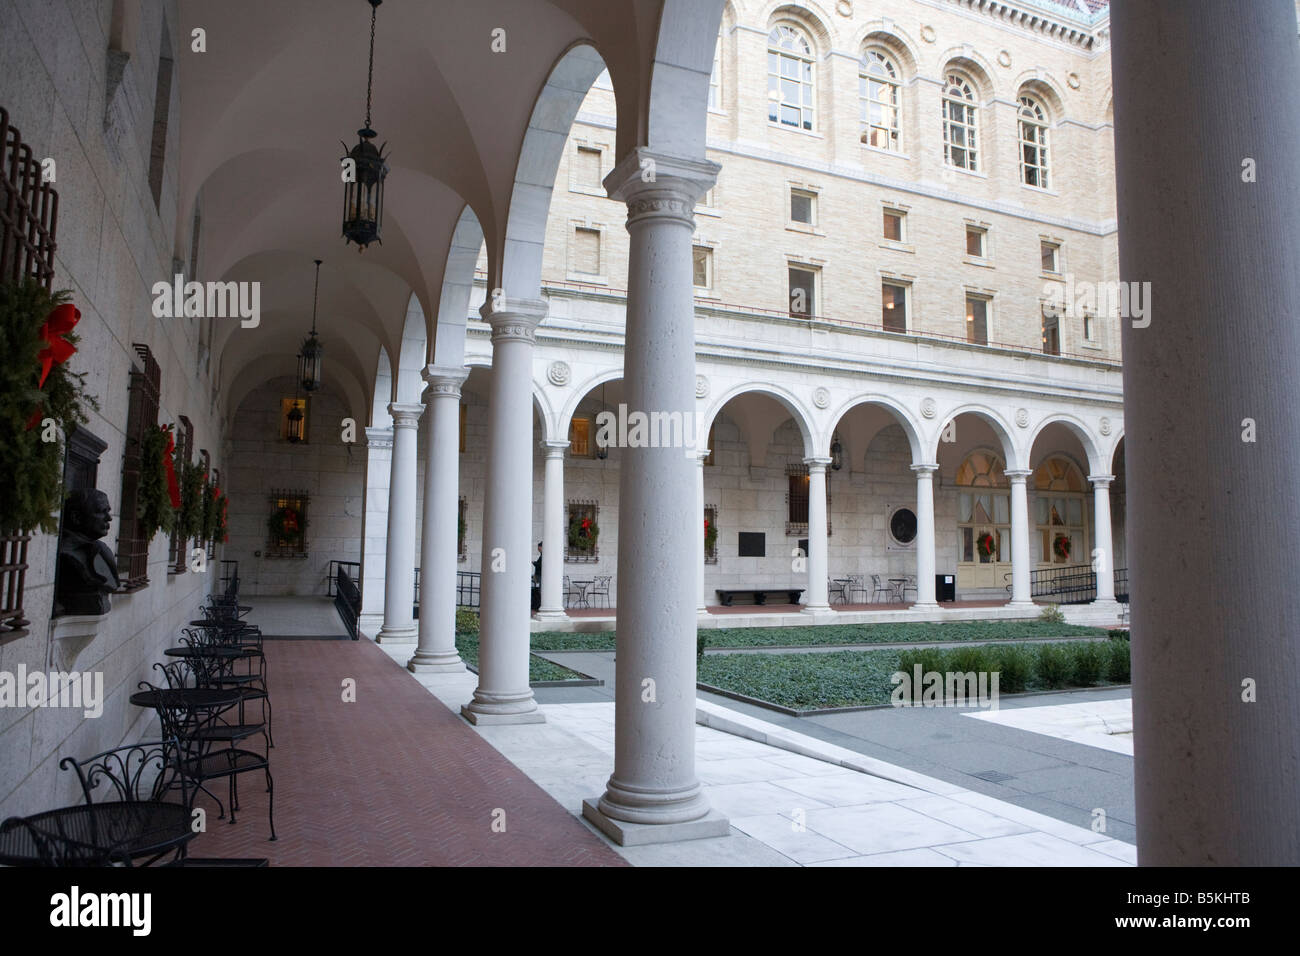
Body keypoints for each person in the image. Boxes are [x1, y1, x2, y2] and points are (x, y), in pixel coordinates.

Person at [55, 489, 121, 616]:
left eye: (108, 511)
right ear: (77, 517)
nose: (109, 518)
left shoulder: (101, 549)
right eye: (101, 512)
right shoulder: (67, 554)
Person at [531, 541, 543, 611]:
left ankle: (538, 605)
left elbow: (540, 565)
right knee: (537, 590)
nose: (538, 549)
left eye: (539, 547)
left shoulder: (543, 555)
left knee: (538, 590)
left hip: (539, 575)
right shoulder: (541, 555)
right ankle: (536, 605)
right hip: (537, 575)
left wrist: (534, 563)